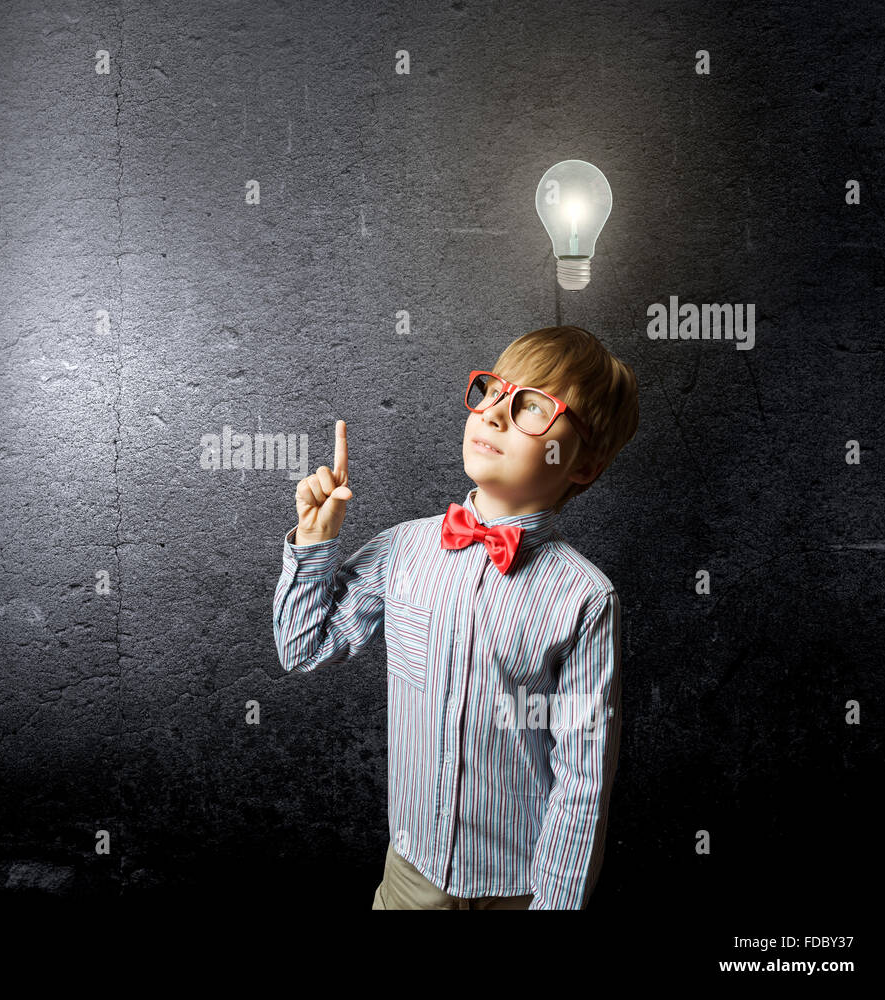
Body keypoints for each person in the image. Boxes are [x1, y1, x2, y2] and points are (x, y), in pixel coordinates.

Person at [272, 325, 640, 909]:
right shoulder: (403, 549)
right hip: (409, 878)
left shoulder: (586, 597)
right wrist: (316, 544)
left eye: (532, 408)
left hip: (519, 888)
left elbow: (583, 776)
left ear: (583, 465)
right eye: (493, 391)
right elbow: (303, 648)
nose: (494, 415)